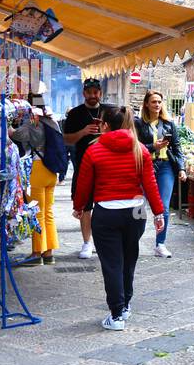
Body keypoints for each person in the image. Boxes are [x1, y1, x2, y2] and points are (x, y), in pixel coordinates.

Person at [71, 106, 165, 331]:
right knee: (130, 257)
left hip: (107, 211)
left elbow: (84, 185)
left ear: (105, 125)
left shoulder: (94, 151)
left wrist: (79, 207)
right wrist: (159, 213)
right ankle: (126, 305)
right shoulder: (140, 149)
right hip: (137, 210)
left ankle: (116, 315)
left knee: (112, 264)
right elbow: (150, 183)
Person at [10, 107, 67, 265]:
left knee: (36, 213)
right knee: (48, 212)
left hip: (37, 169)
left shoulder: (32, 123)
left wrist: (7, 124)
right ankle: (48, 253)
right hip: (51, 171)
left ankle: (36, 253)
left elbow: (15, 135)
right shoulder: (52, 121)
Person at [134, 90, 184, 258]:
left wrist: (182, 168)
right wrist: (152, 147)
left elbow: (177, 147)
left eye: (159, 102)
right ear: (146, 104)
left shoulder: (169, 124)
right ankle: (132, 240)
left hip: (165, 168)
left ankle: (160, 244)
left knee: (163, 207)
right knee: (138, 206)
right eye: (154, 101)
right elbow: (135, 147)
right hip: (145, 167)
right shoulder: (138, 124)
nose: (157, 104)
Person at [62, 78, 106, 259]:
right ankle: (87, 243)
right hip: (83, 165)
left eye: (96, 92)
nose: (93, 95)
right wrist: (83, 132)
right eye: (89, 92)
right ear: (84, 94)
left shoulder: (108, 111)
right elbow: (66, 139)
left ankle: (102, 241)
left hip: (105, 165)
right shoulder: (74, 114)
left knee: (104, 205)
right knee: (85, 205)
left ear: (100, 93)